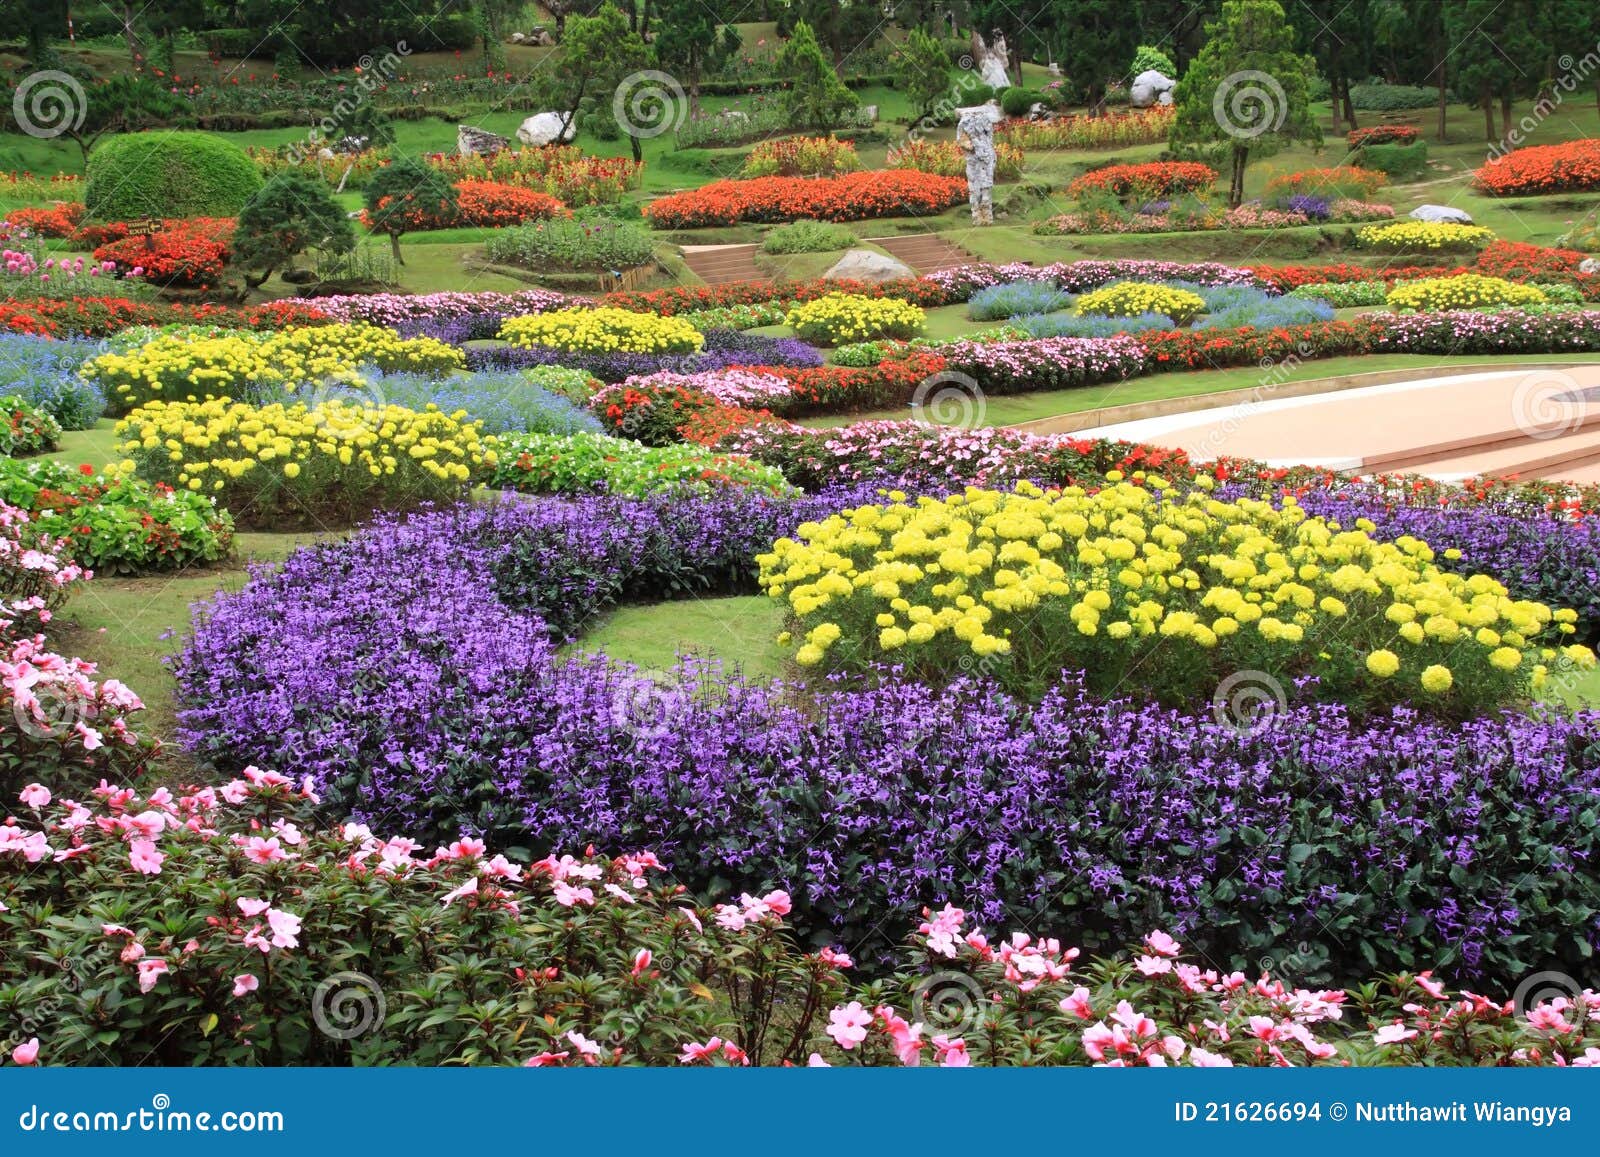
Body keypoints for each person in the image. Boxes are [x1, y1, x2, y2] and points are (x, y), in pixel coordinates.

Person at [955, 102, 999, 225]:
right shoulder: (965, 123)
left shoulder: (985, 126)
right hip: (974, 159)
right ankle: (977, 215)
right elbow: (962, 140)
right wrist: (971, 145)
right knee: (975, 188)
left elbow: (989, 138)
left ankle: (986, 216)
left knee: (986, 188)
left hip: (986, 158)